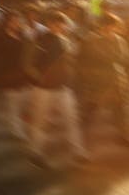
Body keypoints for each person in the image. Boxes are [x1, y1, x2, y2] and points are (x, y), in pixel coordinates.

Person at [29, 11, 87, 165]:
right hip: (44, 88)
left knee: (71, 119)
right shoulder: (41, 40)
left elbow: (70, 62)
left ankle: (78, 151)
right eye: (56, 24)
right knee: (40, 121)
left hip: (63, 87)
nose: (60, 26)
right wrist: (39, 78)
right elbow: (30, 63)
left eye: (62, 24)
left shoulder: (66, 40)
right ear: (49, 24)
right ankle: (36, 151)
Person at [75, 12, 129, 147]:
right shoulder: (90, 41)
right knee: (90, 112)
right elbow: (81, 62)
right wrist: (89, 77)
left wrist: (121, 70)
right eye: (107, 26)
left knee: (122, 111)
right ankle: (80, 140)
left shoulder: (120, 41)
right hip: (98, 83)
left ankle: (123, 136)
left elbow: (127, 59)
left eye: (113, 26)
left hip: (118, 82)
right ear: (101, 26)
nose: (110, 29)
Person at [0, 12, 31, 141]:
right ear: (7, 22)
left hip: (23, 76)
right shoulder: (0, 38)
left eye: (18, 21)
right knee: (13, 105)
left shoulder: (23, 36)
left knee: (24, 104)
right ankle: (17, 131)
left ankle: (18, 126)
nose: (16, 23)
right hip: (8, 76)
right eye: (13, 21)